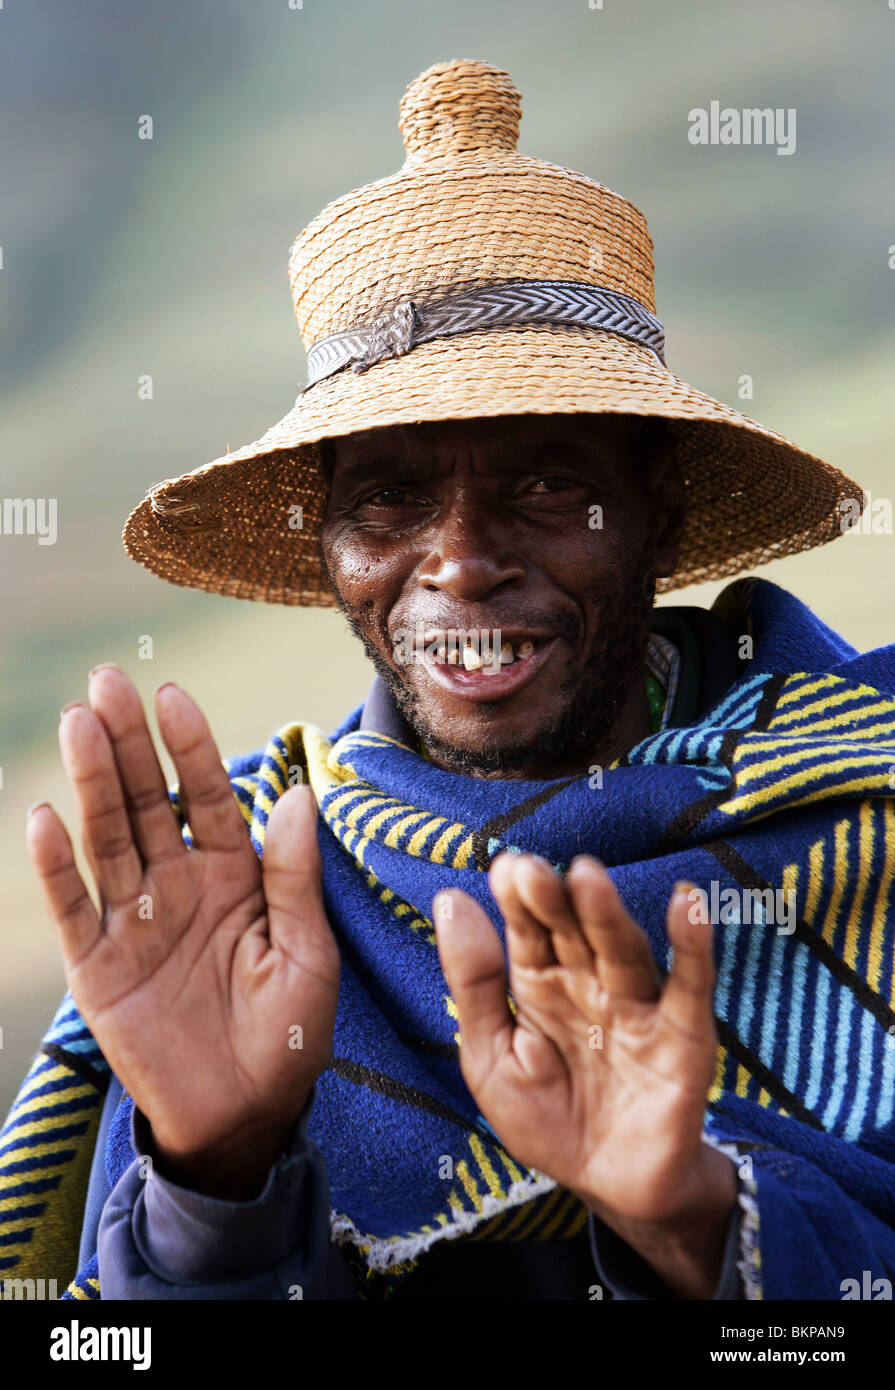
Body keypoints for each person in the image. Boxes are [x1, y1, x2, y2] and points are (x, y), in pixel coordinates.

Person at [4, 59, 895, 1303]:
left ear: (658, 508)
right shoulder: (245, 900)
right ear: (328, 546)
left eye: (545, 483)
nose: (462, 563)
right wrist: (216, 1170)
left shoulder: (870, 816)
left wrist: (698, 1220)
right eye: (389, 497)